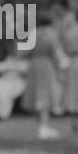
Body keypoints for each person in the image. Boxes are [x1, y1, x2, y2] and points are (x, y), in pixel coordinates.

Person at [21, 8, 69, 139]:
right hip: (46, 65)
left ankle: (41, 127)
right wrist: (62, 65)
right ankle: (44, 128)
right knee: (45, 96)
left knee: (37, 95)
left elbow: (23, 52)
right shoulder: (51, 34)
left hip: (34, 65)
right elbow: (55, 52)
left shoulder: (33, 33)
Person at [0, 52, 30, 121]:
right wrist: (11, 66)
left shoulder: (24, 63)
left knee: (5, 94)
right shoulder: (6, 62)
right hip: (3, 82)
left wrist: (12, 66)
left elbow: (25, 70)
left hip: (16, 83)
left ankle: (2, 114)